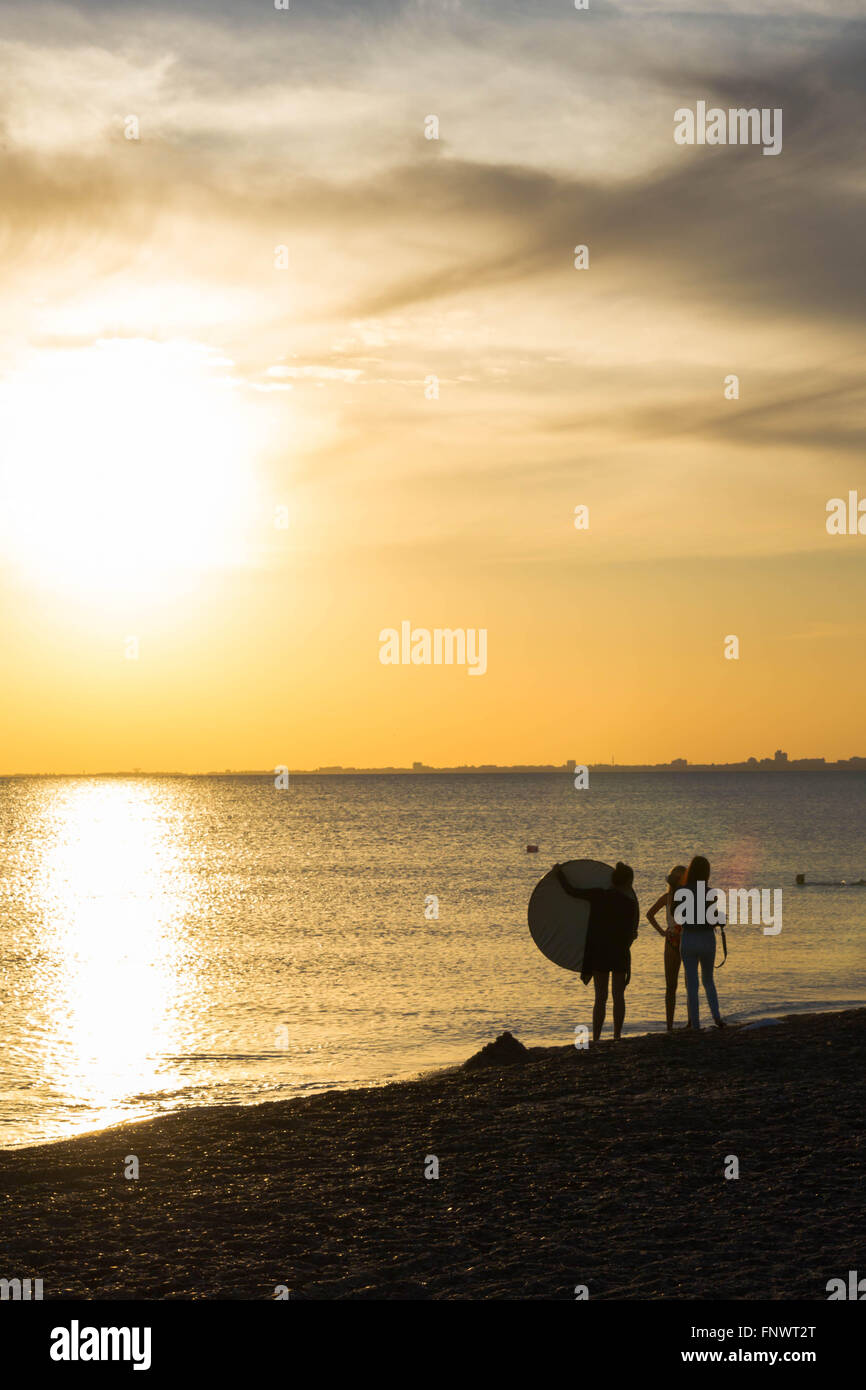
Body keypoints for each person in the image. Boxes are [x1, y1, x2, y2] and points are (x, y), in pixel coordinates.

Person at [553, 861, 639, 1041]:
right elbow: (632, 933)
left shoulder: (599, 895)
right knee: (618, 996)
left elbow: (572, 891)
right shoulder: (630, 904)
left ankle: (597, 1038)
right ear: (627, 882)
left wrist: (559, 873)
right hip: (619, 951)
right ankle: (616, 1036)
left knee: (600, 998)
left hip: (600, 951)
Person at [675, 855, 726, 1030]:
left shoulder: (681, 892)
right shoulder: (711, 893)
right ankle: (717, 1017)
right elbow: (713, 919)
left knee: (692, 983)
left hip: (689, 937)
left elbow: (679, 918)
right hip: (706, 938)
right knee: (708, 980)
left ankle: (695, 1024)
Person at [646, 864, 687, 1030]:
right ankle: (670, 1025)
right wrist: (662, 932)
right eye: (678, 878)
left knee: (687, 983)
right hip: (672, 941)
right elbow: (650, 914)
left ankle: (690, 1021)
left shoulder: (687, 897)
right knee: (672, 985)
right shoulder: (667, 897)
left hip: (685, 939)